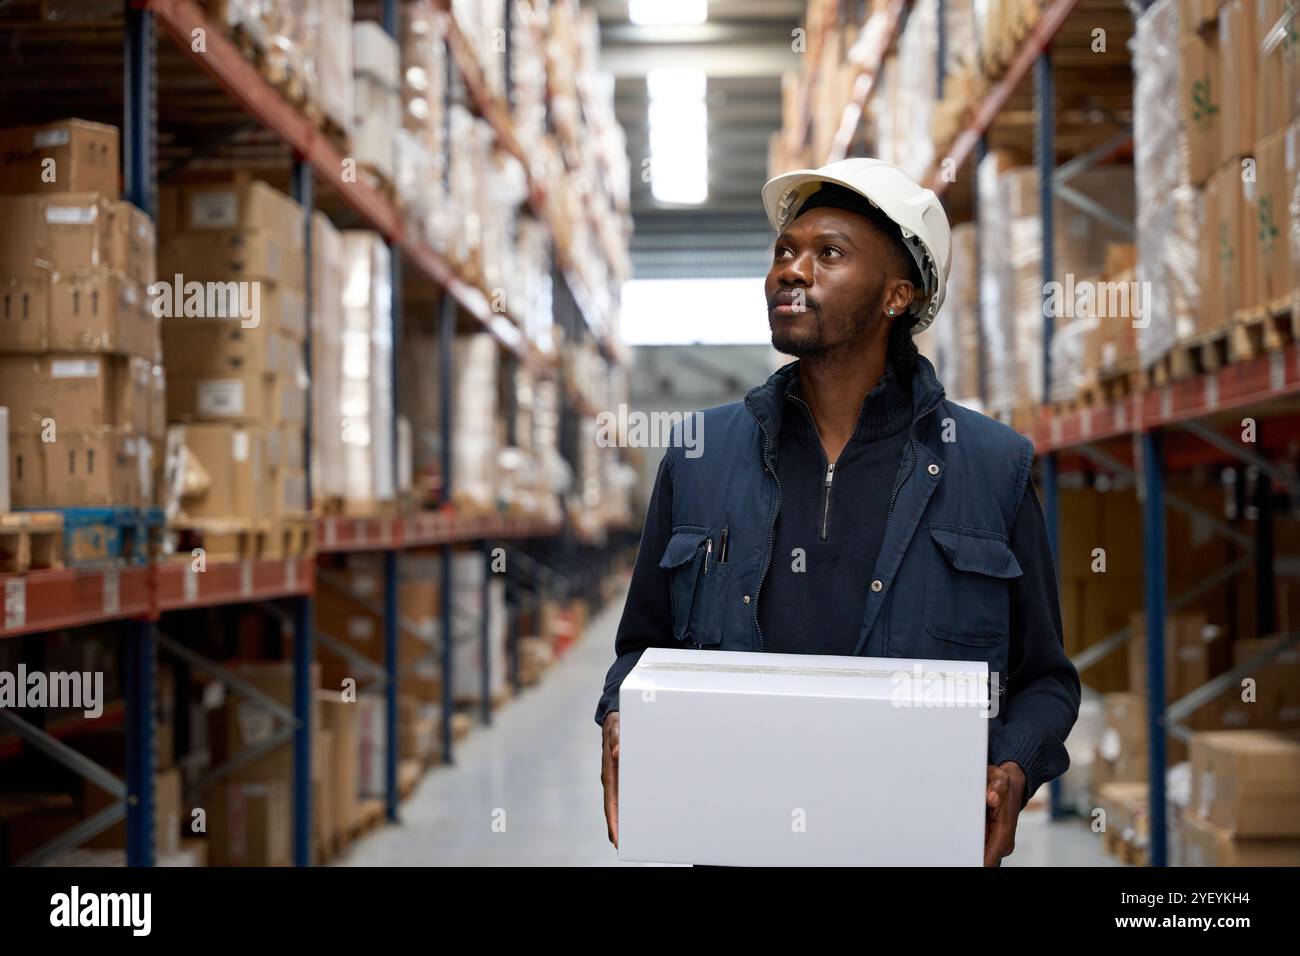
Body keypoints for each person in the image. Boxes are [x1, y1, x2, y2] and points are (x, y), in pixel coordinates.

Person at [596, 158, 1081, 867]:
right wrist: (621, 717)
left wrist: (1013, 768)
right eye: (784, 252)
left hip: (911, 847)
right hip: (736, 843)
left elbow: (1045, 679)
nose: (791, 270)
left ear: (896, 295)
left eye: (828, 254)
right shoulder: (700, 455)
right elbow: (640, 650)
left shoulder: (991, 465)